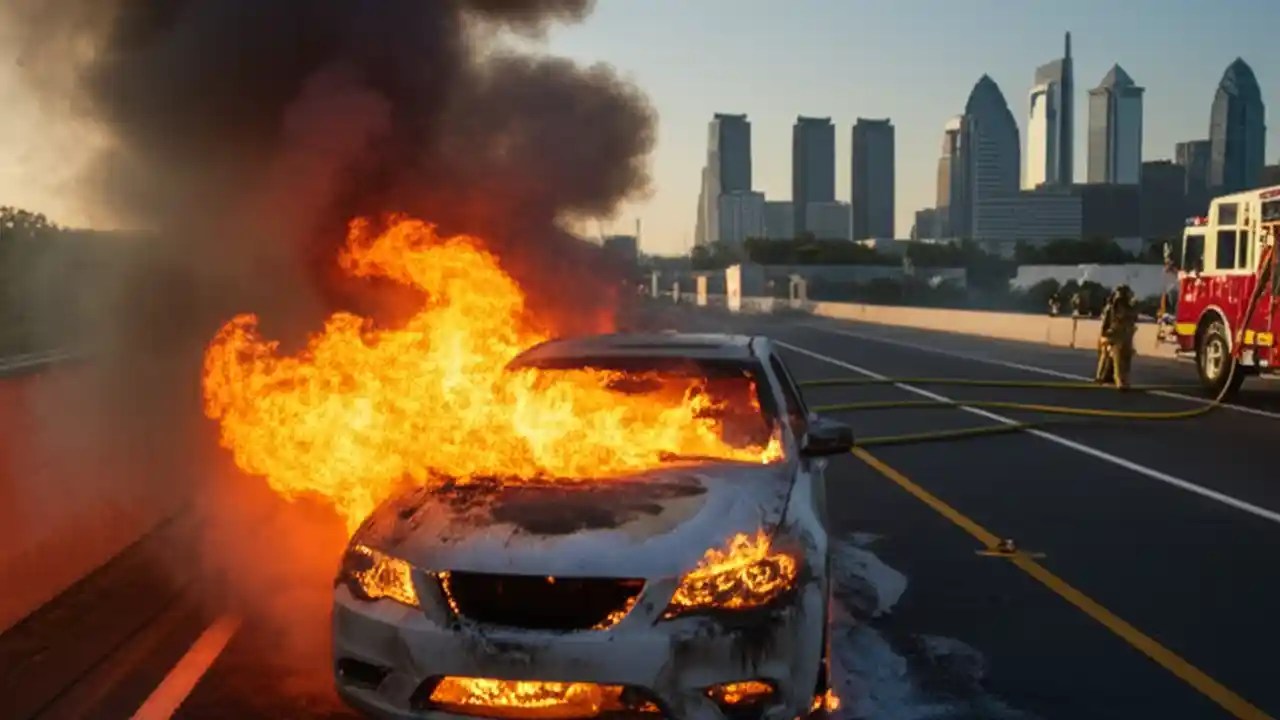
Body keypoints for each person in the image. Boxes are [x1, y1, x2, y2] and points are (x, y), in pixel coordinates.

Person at [1102, 285, 1138, 389]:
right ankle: (1120, 381)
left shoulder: (1125, 305)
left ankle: (1122, 380)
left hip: (1125, 334)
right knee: (1119, 359)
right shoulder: (1118, 305)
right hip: (1118, 334)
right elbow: (1120, 317)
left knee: (1125, 358)